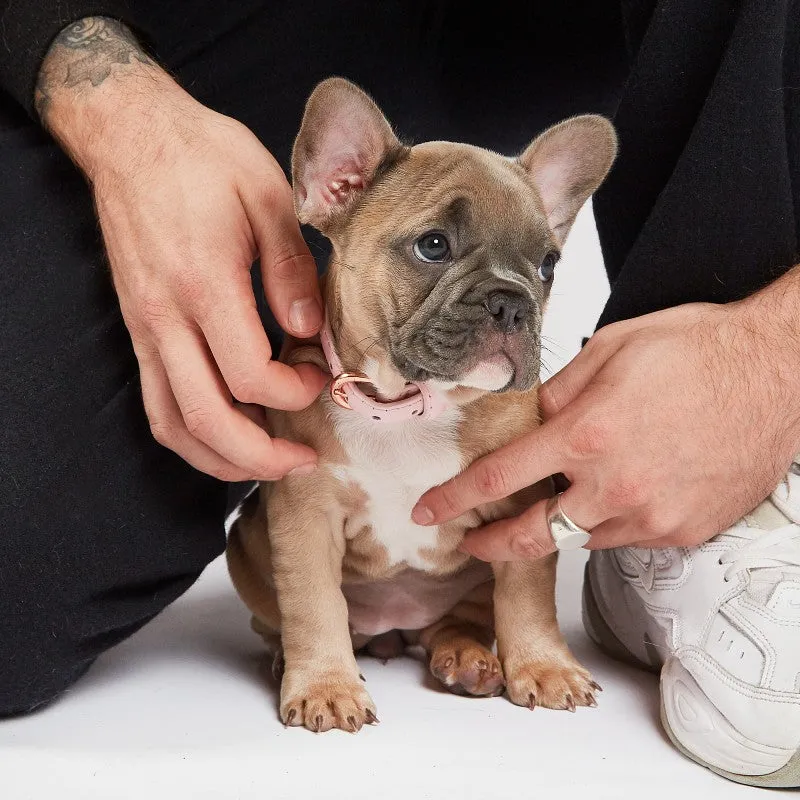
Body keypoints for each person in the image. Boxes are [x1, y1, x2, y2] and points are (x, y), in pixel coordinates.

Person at [0, 0, 797, 788]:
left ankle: (719, 493)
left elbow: (515, 512)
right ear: (330, 188)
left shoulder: (501, 407)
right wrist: (119, 116)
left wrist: (768, 355)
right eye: (434, 247)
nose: (507, 304)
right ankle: (320, 646)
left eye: (539, 268)